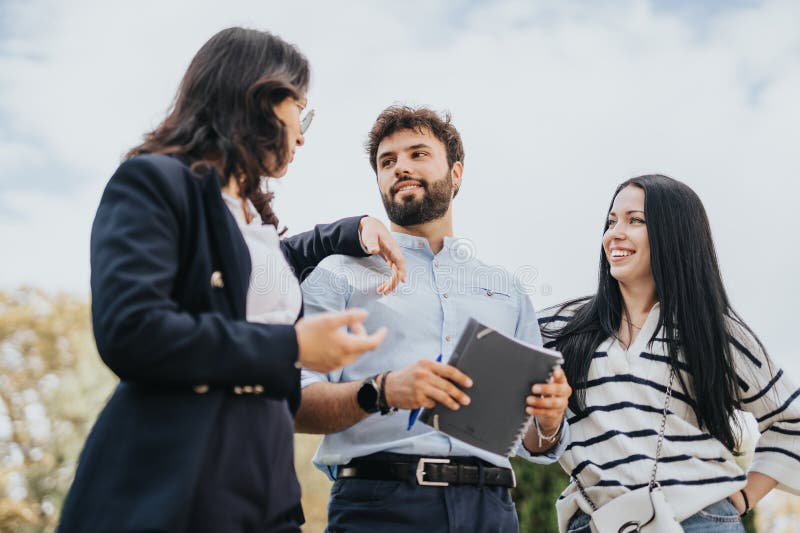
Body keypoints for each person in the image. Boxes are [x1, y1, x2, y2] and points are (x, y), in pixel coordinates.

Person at [58, 27, 408, 533]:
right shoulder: (153, 181)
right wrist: (291, 345)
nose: (302, 135)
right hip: (172, 486)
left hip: (267, 490)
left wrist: (354, 229)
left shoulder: (251, 220)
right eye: (299, 110)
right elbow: (131, 330)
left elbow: (271, 263)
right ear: (258, 98)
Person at [296, 105, 572, 532]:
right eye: (388, 161)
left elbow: (530, 439)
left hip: (492, 510)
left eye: (418, 154)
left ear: (456, 174)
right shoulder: (337, 275)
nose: (400, 167)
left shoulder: (507, 291)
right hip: (379, 508)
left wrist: (549, 420)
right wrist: (384, 390)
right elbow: (295, 403)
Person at [540, 174, 800, 532]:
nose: (615, 233)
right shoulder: (559, 327)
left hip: (699, 520)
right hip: (596, 521)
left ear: (673, 234)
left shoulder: (711, 330)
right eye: (612, 221)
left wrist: (744, 496)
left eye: (635, 220)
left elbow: (792, 419)